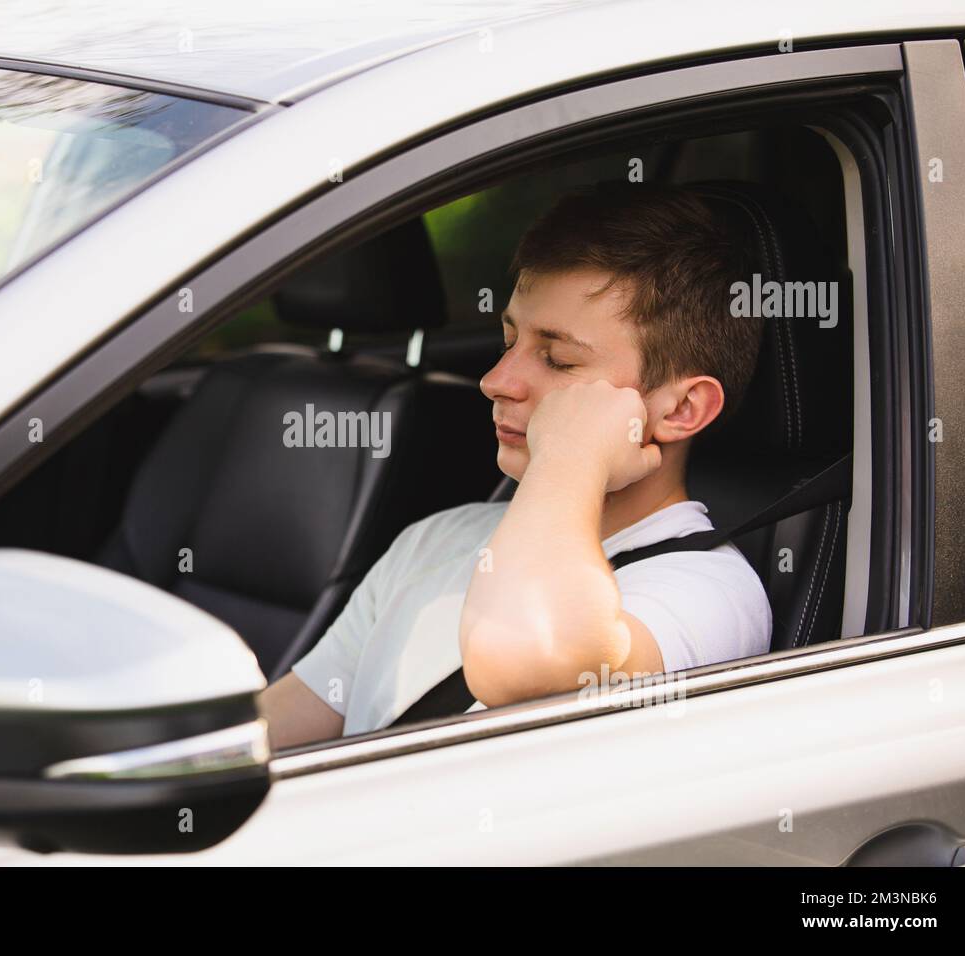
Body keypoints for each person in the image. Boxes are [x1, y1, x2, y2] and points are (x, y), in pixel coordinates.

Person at [259, 183, 771, 749]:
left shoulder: (706, 594)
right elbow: (281, 727)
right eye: (508, 340)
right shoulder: (440, 538)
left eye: (559, 359)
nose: (496, 380)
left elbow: (521, 662)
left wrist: (572, 453)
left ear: (680, 409)